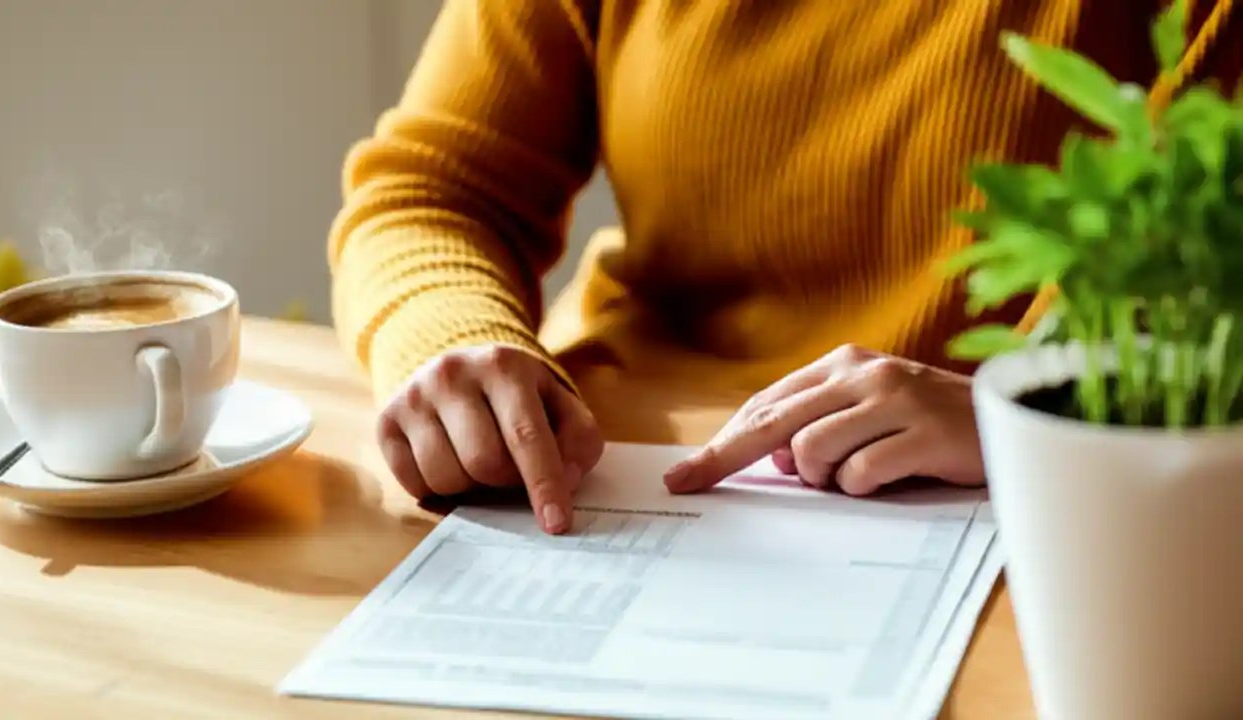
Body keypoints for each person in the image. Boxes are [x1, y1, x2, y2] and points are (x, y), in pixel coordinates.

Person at [329, 1, 1241, 534]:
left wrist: (1031, 412)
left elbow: (1209, 279)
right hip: (590, 498)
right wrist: (454, 342)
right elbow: (429, 191)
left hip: (1008, 521)